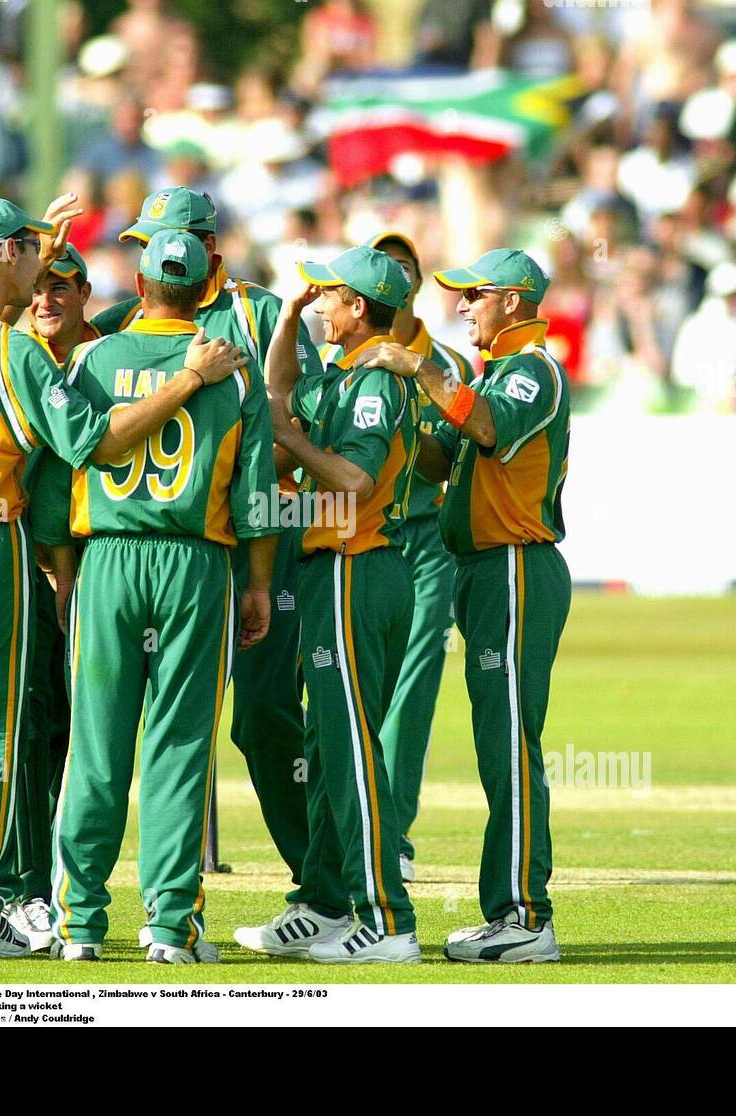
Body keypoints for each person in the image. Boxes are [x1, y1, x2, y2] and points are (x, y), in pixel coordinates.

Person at [0, 198, 245, 959]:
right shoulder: (17, 355)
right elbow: (96, 444)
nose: (43, 274)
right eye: (32, 253)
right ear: (1, 257)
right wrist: (188, 380)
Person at [30, 229, 279, 963]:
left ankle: (79, 923)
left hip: (106, 560)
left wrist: (63, 567)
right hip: (196, 565)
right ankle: (171, 926)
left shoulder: (93, 358)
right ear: (207, 289)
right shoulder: (231, 369)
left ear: (137, 287)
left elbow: (54, 477)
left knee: (95, 749)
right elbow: (256, 492)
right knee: (179, 747)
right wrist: (260, 583)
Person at [93, 186, 324, 889]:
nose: (144, 259)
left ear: (209, 250)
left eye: (152, 243)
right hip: (169, 544)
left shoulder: (257, 314)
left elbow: (299, 428)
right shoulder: (128, 316)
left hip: (260, 535)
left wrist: (224, 481)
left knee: (262, 716)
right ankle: (89, 894)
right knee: (127, 722)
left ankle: (323, 881)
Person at [358, 248, 571, 964]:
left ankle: (525, 914)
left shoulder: (534, 369)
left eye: (475, 295)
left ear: (514, 300)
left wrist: (418, 367)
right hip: (483, 570)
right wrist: (402, 407)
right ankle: (511, 908)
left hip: (515, 565)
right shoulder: (489, 374)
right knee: (496, 740)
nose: (463, 307)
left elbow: (484, 429)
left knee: (509, 741)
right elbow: (436, 459)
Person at [237, 245, 422, 964]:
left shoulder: (373, 380)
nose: (320, 304)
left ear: (359, 307)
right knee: (324, 745)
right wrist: (284, 317)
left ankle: (388, 918)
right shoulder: (343, 373)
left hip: (356, 567)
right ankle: (323, 903)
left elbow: (353, 477)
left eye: (330, 296)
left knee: (348, 748)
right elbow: (283, 394)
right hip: (331, 571)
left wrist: (288, 440)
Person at [357, 232, 470, 883]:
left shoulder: (445, 364)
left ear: (417, 282)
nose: (393, 276)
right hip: (358, 537)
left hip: (423, 538)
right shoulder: (341, 357)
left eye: (404, 266)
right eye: (382, 265)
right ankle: (350, 824)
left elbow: (447, 459)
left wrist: (407, 400)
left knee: (411, 687)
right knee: (348, 684)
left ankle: (390, 832)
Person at [0, 242, 100, 951]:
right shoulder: (9, 354)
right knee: (24, 735)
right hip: (22, 573)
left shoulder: (107, 361)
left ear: (87, 296)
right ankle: (24, 890)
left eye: (62, 287)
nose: (47, 300)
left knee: (80, 740)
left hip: (99, 574)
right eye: (38, 287)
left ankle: (69, 890)